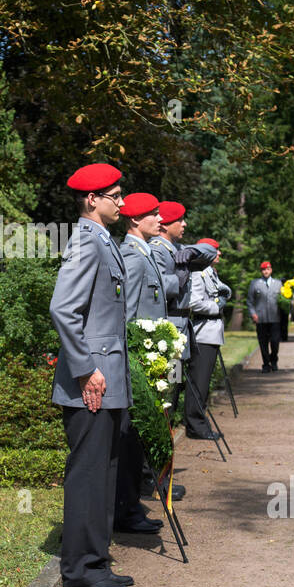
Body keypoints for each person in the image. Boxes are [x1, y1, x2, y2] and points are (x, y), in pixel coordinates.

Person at [48, 162, 134, 587]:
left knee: (104, 474)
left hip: (107, 379)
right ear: (91, 199)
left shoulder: (103, 240)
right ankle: (80, 568)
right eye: (115, 195)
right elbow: (63, 309)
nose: (122, 202)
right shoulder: (85, 241)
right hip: (92, 382)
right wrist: (87, 370)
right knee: (87, 474)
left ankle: (96, 562)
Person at [113, 193, 174, 528]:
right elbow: (127, 317)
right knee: (130, 438)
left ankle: (130, 506)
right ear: (135, 220)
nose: (160, 220)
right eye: (154, 214)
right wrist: (135, 365)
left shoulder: (144, 254)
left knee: (136, 439)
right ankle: (126, 510)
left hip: (146, 362)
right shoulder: (133, 259)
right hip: (135, 365)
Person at [149, 202, 220, 440]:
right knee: (166, 395)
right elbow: (161, 289)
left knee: (174, 391)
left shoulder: (177, 247)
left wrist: (192, 253)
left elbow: (210, 251)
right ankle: (157, 459)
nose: (185, 224)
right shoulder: (158, 250)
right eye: (180, 219)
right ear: (166, 223)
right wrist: (179, 274)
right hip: (168, 333)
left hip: (180, 334)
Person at [185, 238, 232, 437]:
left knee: (203, 382)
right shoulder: (198, 274)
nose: (219, 254)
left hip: (212, 333)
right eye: (215, 250)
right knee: (199, 382)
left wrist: (223, 296)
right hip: (203, 333)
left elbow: (224, 291)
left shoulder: (210, 272)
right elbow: (194, 303)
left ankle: (199, 422)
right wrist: (216, 305)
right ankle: (195, 426)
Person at [247, 260, 283, 372]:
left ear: (271, 270)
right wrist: (253, 313)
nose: (265, 271)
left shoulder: (278, 283)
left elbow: (283, 300)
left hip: (275, 318)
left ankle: (274, 360)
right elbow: (250, 301)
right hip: (260, 318)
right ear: (261, 271)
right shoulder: (255, 283)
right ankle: (266, 364)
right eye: (263, 269)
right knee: (263, 343)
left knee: (275, 342)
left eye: (267, 269)